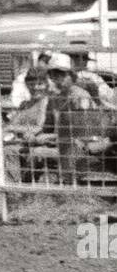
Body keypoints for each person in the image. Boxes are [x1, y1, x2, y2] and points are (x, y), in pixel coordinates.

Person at [45, 50, 94, 185]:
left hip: (76, 145)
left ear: (71, 75)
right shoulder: (55, 98)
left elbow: (83, 132)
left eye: (61, 74)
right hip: (58, 143)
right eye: (53, 74)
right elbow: (47, 126)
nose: (57, 78)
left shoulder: (79, 96)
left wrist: (51, 137)